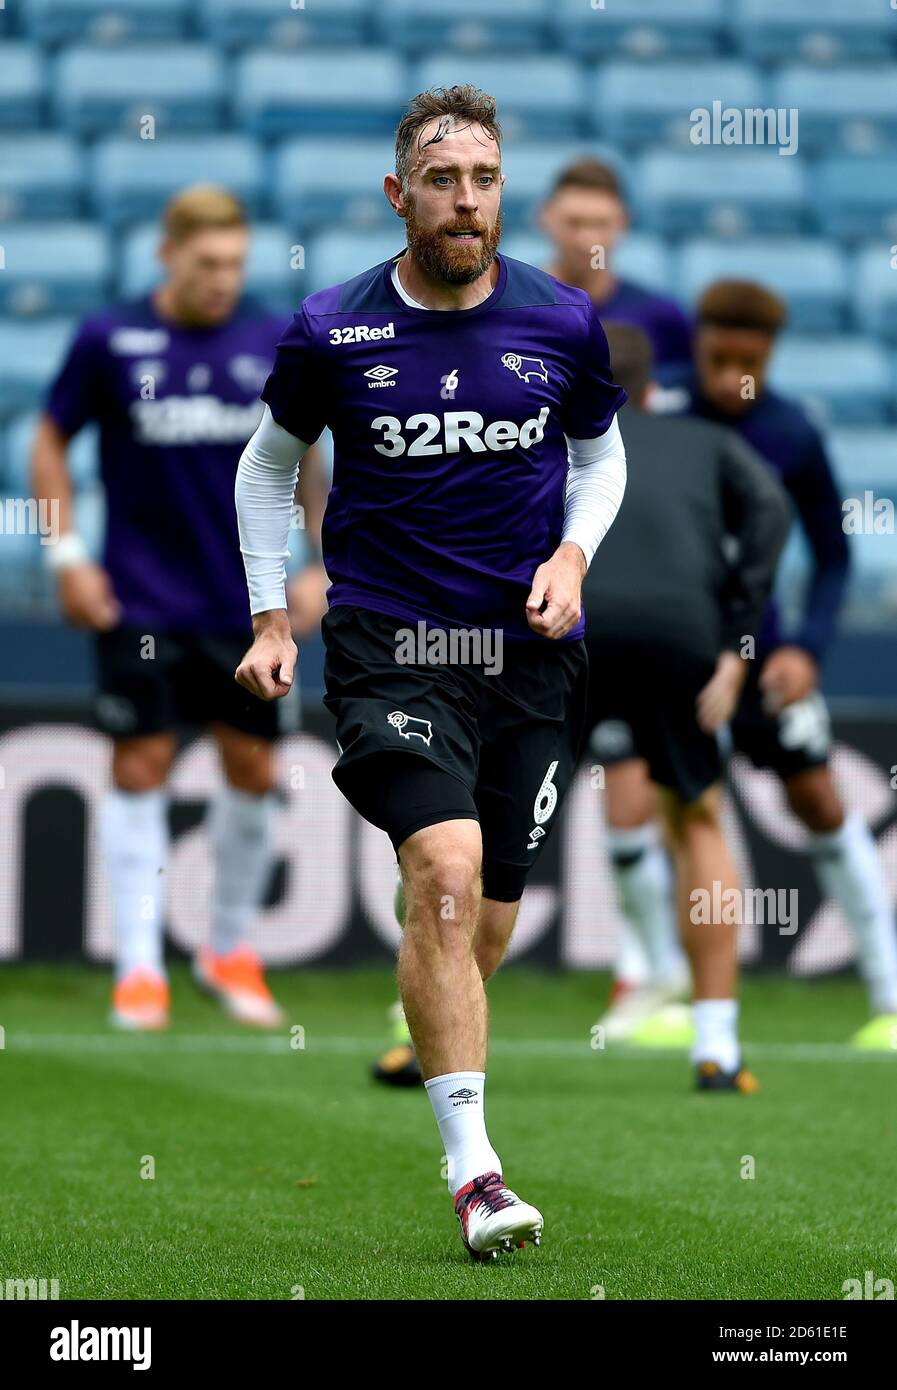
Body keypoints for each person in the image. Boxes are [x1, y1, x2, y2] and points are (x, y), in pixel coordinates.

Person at [233, 85, 628, 1259]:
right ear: (400, 196)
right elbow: (266, 472)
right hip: (390, 643)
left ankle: (430, 1018)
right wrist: (269, 617)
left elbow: (599, 460)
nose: (470, 202)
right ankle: (477, 1177)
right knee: (443, 869)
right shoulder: (332, 328)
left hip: (526, 657)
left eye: (487, 180)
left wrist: (570, 550)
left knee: (481, 920)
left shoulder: (563, 320)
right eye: (447, 182)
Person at [32, 184, 322, 1031]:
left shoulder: (272, 336)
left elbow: (306, 450)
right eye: (206, 264)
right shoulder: (109, 338)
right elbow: (49, 439)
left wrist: (320, 560)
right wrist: (66, 554)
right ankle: (138, 969)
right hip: (142, 597)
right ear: (167, 255)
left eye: (234, 264)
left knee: (254, 769)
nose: (222, 280)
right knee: (139, 765)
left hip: (249, 601)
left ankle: (228, 950)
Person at [608, 280, 897, 1049]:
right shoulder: (662, 423)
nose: (731, 369)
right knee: (643, 808)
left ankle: (889, 995)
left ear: (768, 354)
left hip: (758, 655)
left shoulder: (791, 434)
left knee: (819, 802)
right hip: (674, 658)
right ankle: (660, 980)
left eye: (748, 357)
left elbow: (833, 556)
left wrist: (806, 647)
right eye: (718, 352)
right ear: (696, 343)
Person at [585, 324, 790, 1086]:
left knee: (500, 827)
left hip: (569, 627)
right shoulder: (703, 442)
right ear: (651, 388)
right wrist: (737, 643)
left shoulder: (542, 434)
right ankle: (717, 1045)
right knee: (697, 816)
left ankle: (426, 1039)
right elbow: (770, 511)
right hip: (681, 633)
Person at [540, 157, 692, 376]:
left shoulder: (661, 318)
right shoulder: (510, 308)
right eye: (574, 223)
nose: (586, 240)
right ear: (546, 218)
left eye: (600, 224)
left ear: (623, 223)